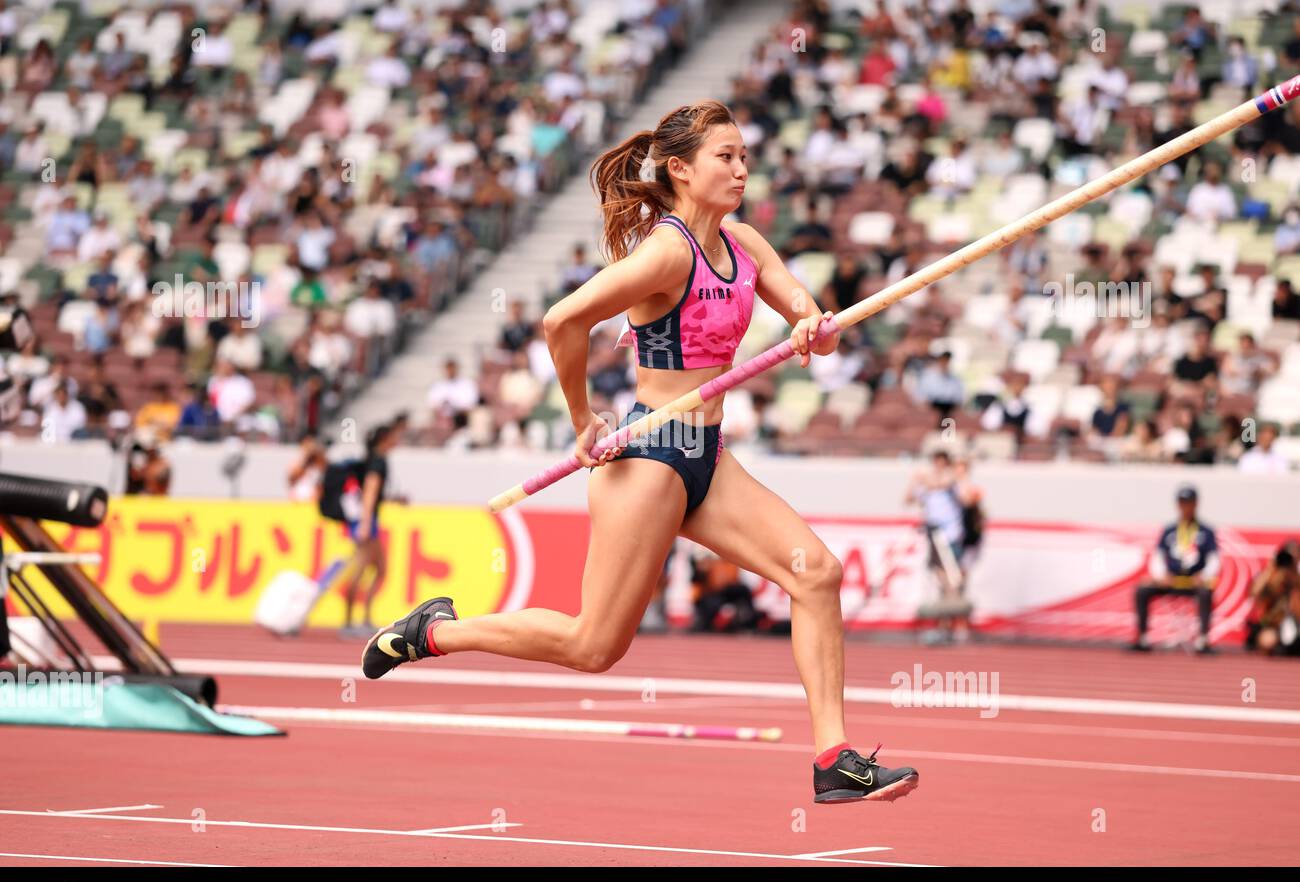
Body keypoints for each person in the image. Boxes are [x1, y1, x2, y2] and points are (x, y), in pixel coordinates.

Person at [359, 100, 919, 803]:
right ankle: (437, 630)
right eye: (726, 156)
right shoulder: (666, 250)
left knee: (816, 573)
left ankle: (833, 758)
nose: (742, 168)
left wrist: (814, 330)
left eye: (745, 155)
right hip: (649, 454)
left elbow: (813, 320)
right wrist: (581, 417)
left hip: (707, 453)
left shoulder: (746, 244)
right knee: (594, 646)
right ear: (680, 169)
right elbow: (563, 320)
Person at [905, 449, 982, 643]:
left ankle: (958, 626)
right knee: (941, 581)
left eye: (942, 464)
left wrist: (960, 478)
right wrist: (915, 480)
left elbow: (968, 499)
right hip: (933, 536)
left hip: (950, 537)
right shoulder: (928, 486)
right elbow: (908, 499)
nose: (938, 468)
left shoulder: (953, 485)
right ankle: (944, 625)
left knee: (954, 579)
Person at [1133, 485, 1219, 653]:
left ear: (1196, 504)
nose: (1185, 507)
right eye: (1182, 503)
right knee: (1142, 590)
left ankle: (1203, 640)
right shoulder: (1170, 530)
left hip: (1194, 582)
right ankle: (1142, 638)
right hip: (1171, 580)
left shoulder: (1206, 531)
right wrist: (1161, 576)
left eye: (1189, 503)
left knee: (1206, 593)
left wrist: (1204, 575)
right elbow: (1158, 556)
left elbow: (1214, 559)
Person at [340, 419, 403, 638]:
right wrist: (366, 523)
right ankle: (349, 622)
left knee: (377, 568)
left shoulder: (374, 459)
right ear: (385, 439)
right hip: (367, 521)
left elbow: (373, 493)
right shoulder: (379, 461)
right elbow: (370, 491)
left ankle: (362, 619)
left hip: (366, 519)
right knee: (362, 569)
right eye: (393, 437)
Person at [1244, 542, 1300, 655]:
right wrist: (1271, 569)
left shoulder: (1296, 578)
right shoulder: (1273, 577)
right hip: (1275, 626)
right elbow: (1254, 593)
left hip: (1296, 624)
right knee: (1267, 641)